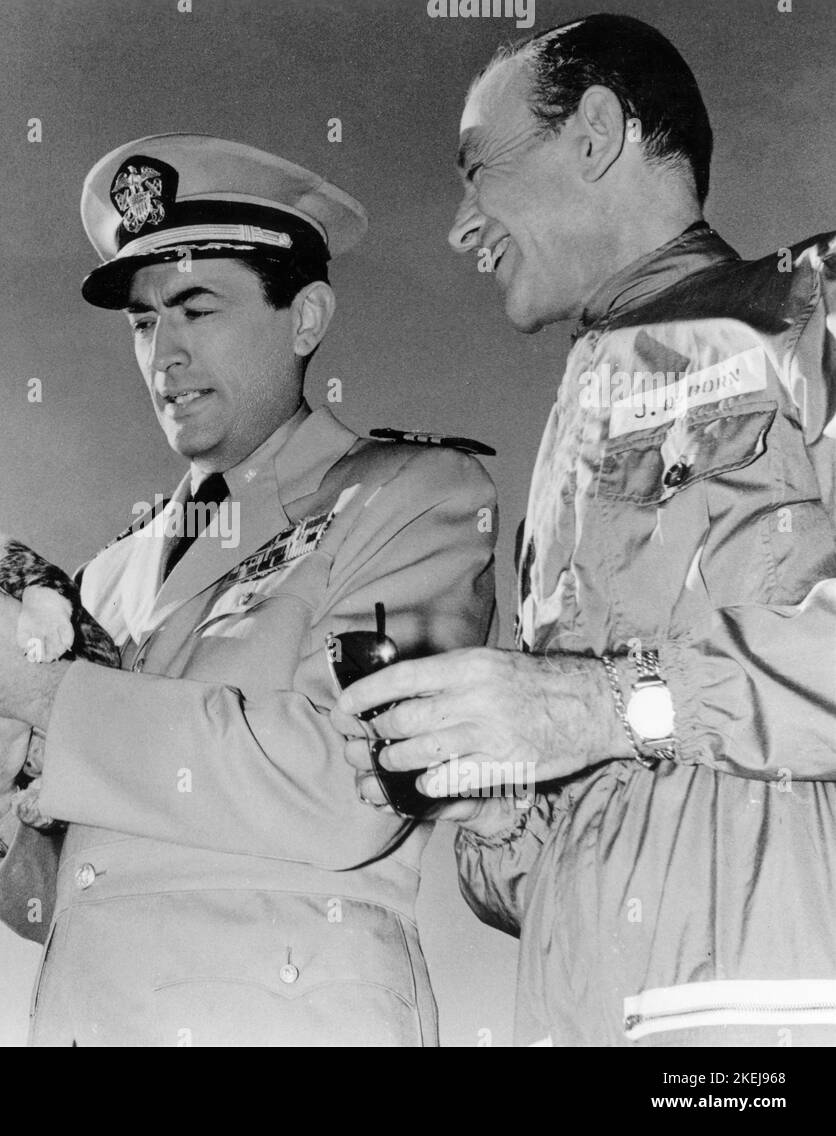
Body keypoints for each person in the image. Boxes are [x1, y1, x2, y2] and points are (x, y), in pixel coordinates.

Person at [0, 134, 498, 1045]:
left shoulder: (411, 494)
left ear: (304, 317)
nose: (164, 356)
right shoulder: (106, 575)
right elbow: (64, 897)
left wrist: (36, 692)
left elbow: (358, 784)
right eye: (145, 323)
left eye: (197, 310)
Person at [333, 13, 836, 1046]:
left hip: (768, 1017)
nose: (459, 225)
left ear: (596, 132)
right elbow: (608, 820)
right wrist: (501, 808)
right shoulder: (577, 413)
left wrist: (608, 701)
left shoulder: (807, 305)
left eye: (479, 170)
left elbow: (632, 712)